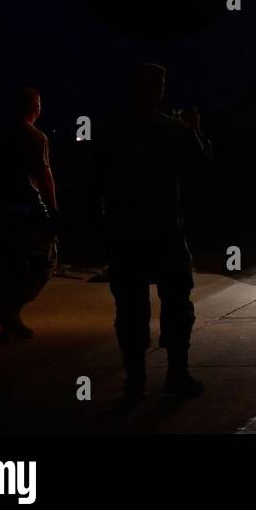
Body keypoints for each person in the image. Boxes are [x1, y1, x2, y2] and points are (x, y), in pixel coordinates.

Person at [100, 64, 209, 400]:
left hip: (125, 232)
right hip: (165, 230)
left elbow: (94, 182)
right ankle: (177, 374)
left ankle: (135, 380)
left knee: (129, 310)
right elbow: (202, 175)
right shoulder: (175, 131)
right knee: (176, 304)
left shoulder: (112, 131)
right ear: (159, 90)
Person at [0, 87, 60, 341]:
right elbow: (44, 177)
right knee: (46, 261)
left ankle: (9, 322)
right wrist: (53, 211)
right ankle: (11, 310)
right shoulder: (36, 137)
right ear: (35, 108)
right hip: (28, 210)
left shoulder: (0, 136)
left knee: (10, 266)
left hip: (2, 209)